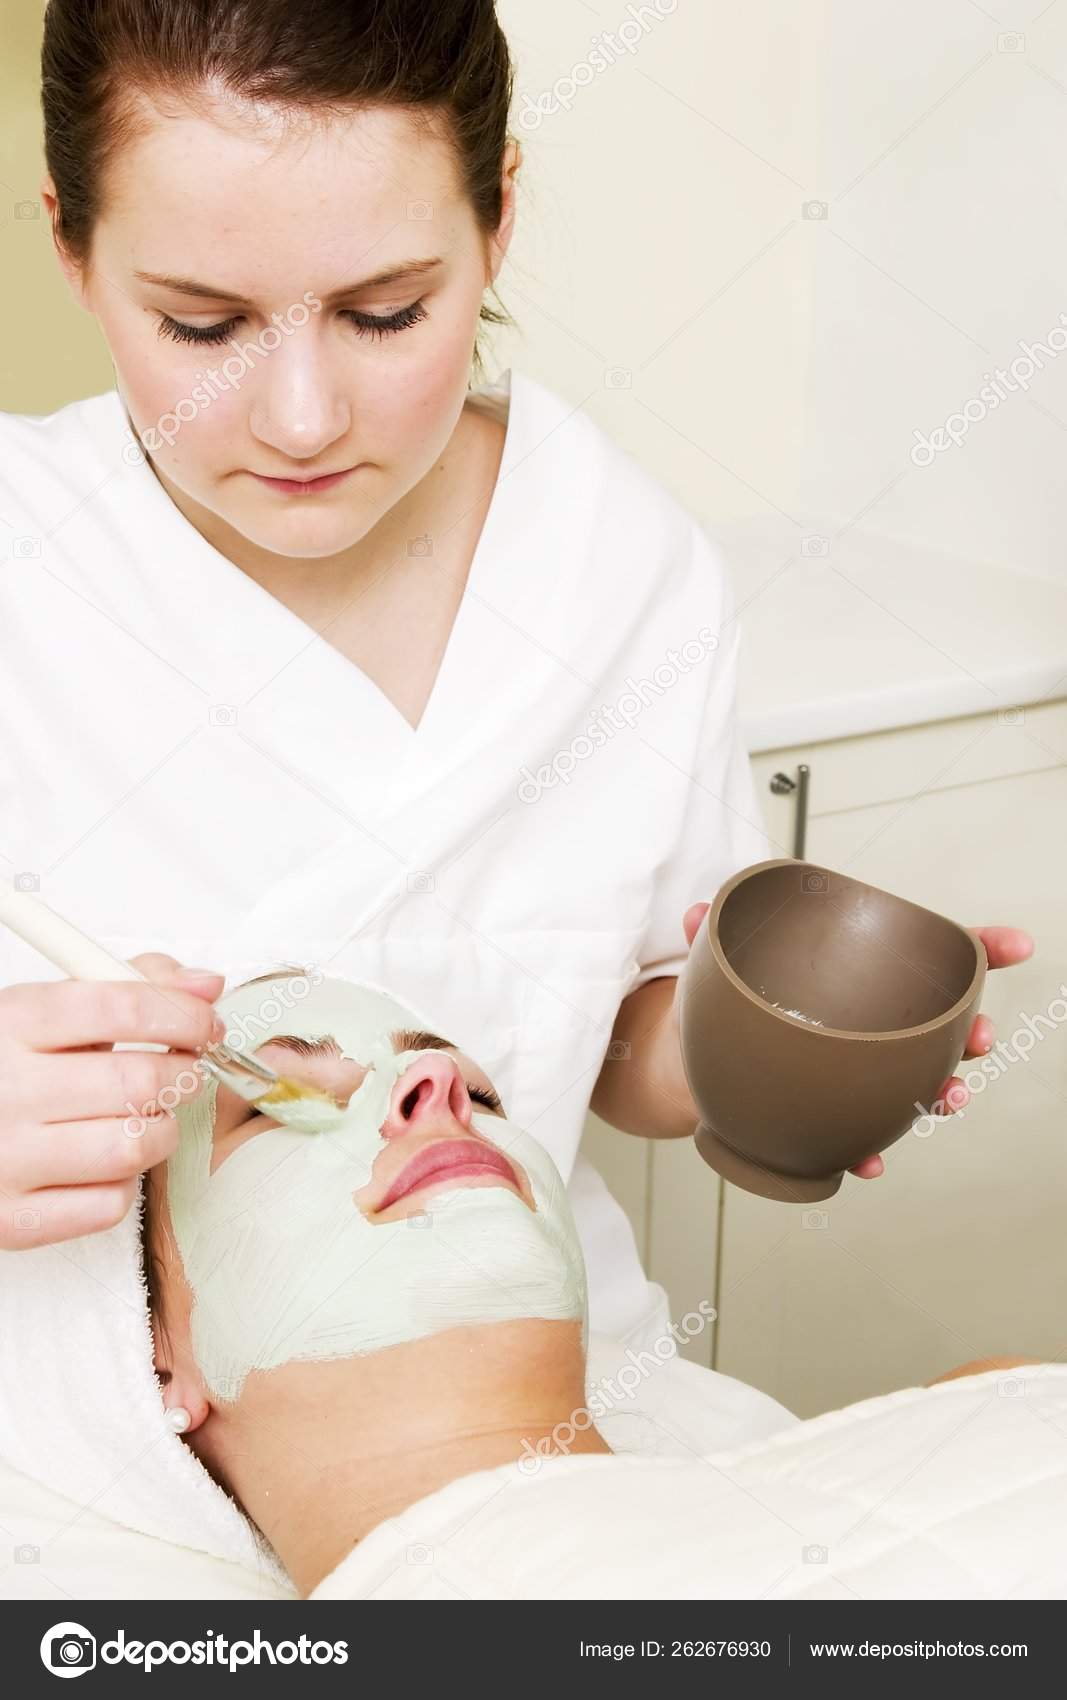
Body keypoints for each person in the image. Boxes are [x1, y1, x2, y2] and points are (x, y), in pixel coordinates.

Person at [0, 0, 1030, 1359]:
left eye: (386, 313)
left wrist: (778, 1054)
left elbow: (608, 1051)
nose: (300, 417)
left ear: (497, 214)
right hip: (86, 1433)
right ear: (68, 240)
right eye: (202, 325)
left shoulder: (615, 563)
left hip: (529, 1377)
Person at [141, 970, 1058, 1601]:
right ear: (156, 1357)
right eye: (270, 1108)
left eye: (482, 1093)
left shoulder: (991, 1405)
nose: (436, 1084)